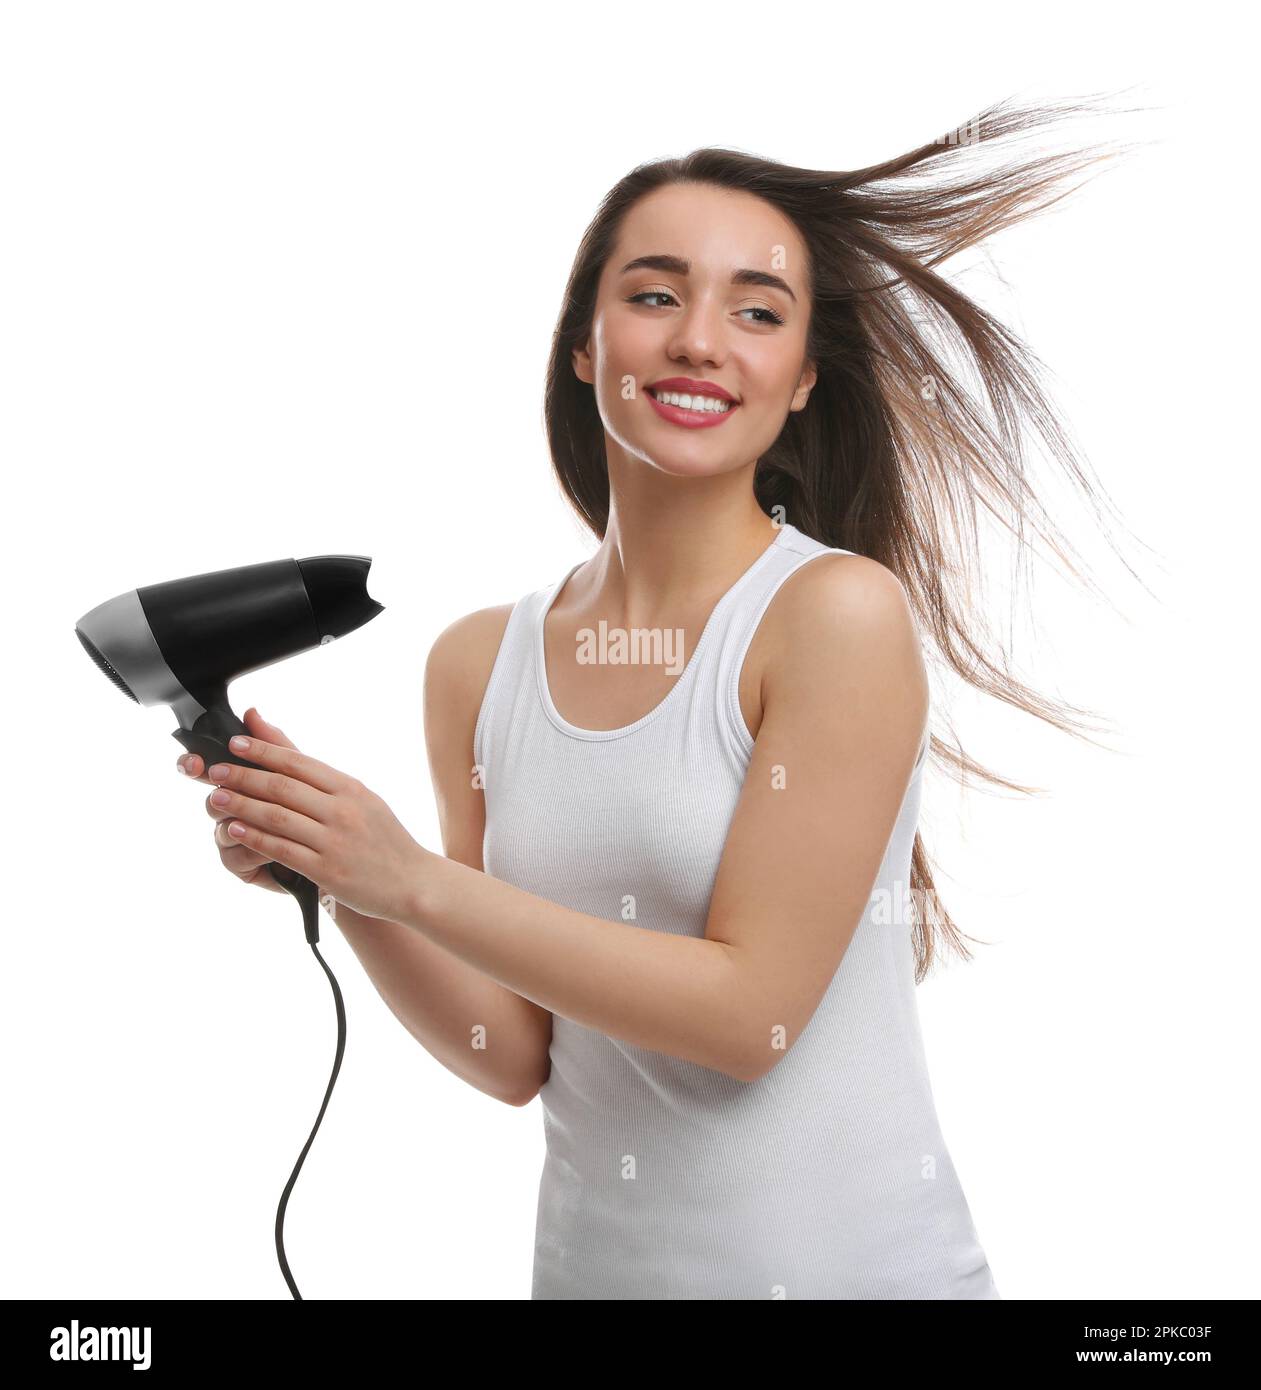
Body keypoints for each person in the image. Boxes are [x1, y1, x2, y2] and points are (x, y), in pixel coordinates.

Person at [176, 97, 1144, 1299]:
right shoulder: (478, 665)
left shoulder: (832, 618)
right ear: (584, 344)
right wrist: (344, 879)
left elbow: (752, 1017)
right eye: (652, 294)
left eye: (756, 310)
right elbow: (511, 1049)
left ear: (799, 383)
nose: (699, 341)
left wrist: (411, 877)